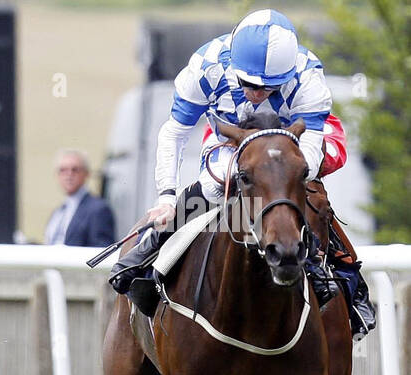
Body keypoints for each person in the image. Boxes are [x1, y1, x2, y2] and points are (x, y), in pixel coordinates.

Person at [109, 9, 374, 337]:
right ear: (236, 68)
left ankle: (346, 277)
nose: (258, 93)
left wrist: (280, 177)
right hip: (230, 135)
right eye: (250, 84)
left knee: (307, 190)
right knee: (216, 181)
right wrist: (166, 196)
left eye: (270, 87)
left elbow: (311, 147)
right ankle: (151, 251)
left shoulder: (307, 76)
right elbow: (174, 133)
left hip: (294, 139)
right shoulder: (206, 68)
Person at [44, 149, 114, 247]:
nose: (69, 175)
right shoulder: (58, 212)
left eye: (75, 170)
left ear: (86, 174)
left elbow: (101, 251)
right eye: (63, 170)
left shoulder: (98, 209)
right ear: (57, 175)